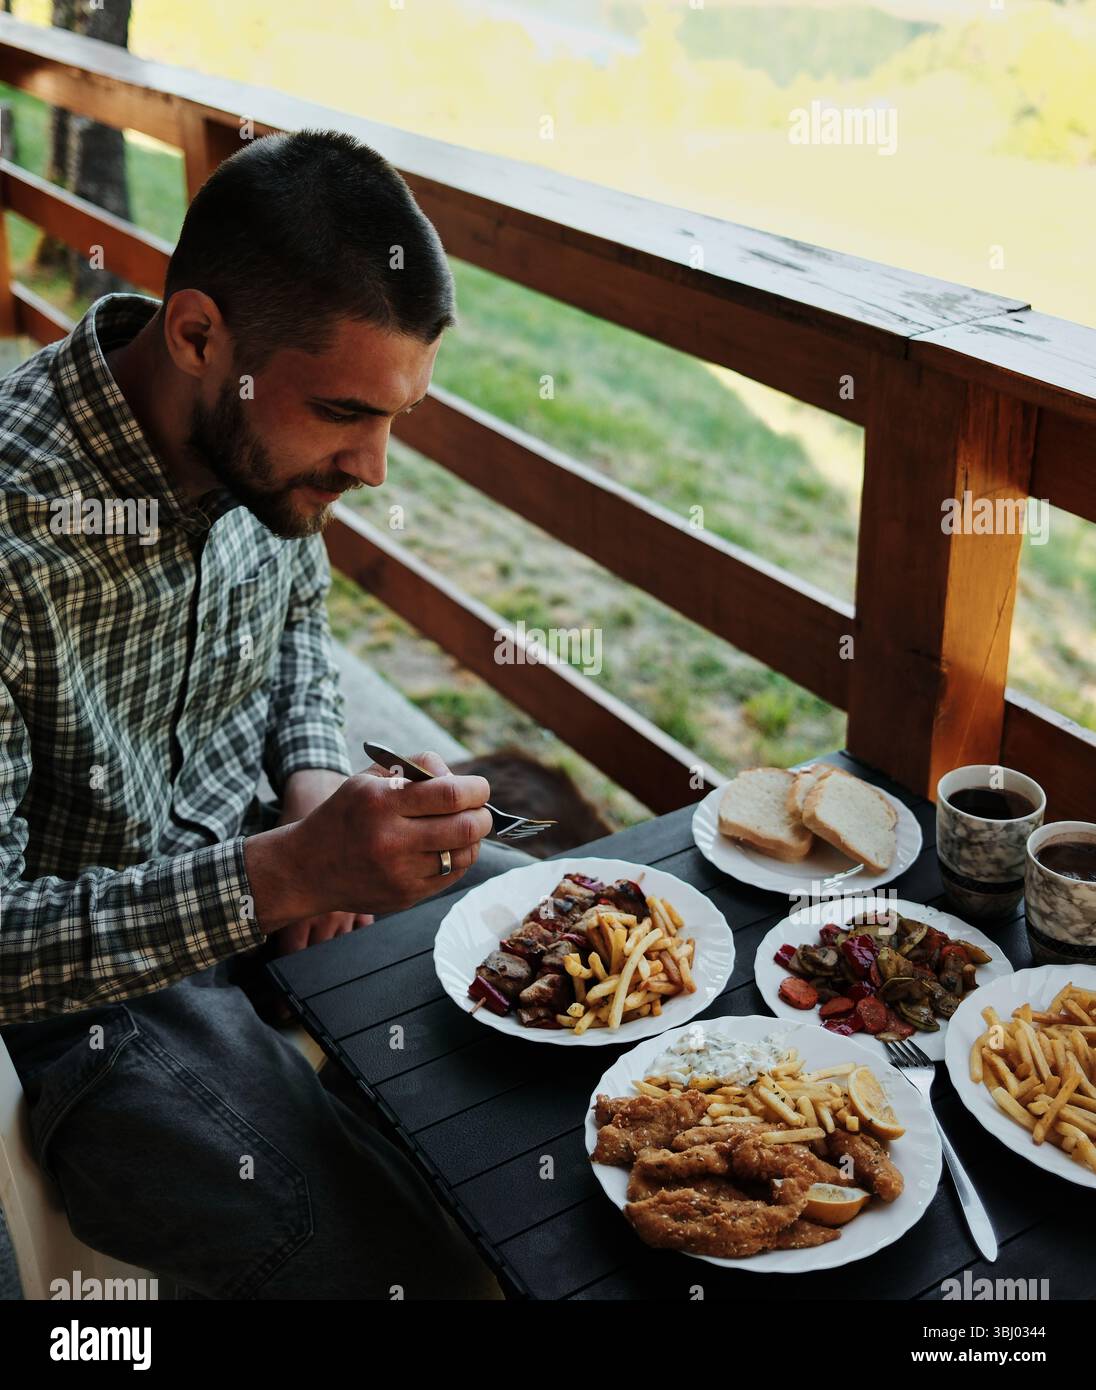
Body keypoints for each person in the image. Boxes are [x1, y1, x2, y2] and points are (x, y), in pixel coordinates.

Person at [0, 128, 535, 1298]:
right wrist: (284, 875)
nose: (375, 468)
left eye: (398, 415)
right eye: (348, 411)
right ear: (197, 335)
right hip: (90, 990)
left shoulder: (265, 440)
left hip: (263, 848)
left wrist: (310, 786)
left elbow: (295, 627)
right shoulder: (14, 531)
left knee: (549, 1060)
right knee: (386, 1262)